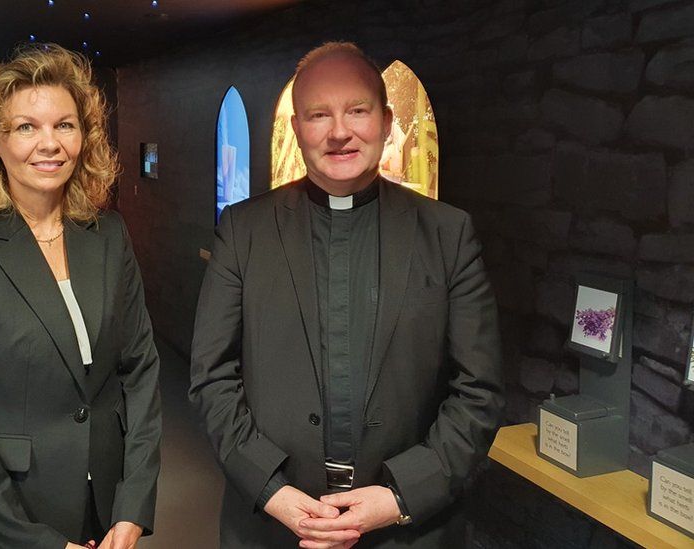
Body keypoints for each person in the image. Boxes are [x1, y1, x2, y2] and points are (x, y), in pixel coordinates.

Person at [189, 42, 504, 548]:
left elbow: (479, 390)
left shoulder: (447, 235)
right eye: (319, 115)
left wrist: (401, 496)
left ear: (386, 119)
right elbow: (212, 378)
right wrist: (271, 489)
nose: (339, 132)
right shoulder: (243, 231)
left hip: (410, 531)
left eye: (356, 111)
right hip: (270, 527)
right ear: (296, 128)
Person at [0, 44, 161, 549]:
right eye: (26, 127)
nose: (49, 143)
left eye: (65, 125)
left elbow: (139, 372)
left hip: (105, 515)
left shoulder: (109, 235)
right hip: (4, 522)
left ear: (84, 137)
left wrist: (133, 505)